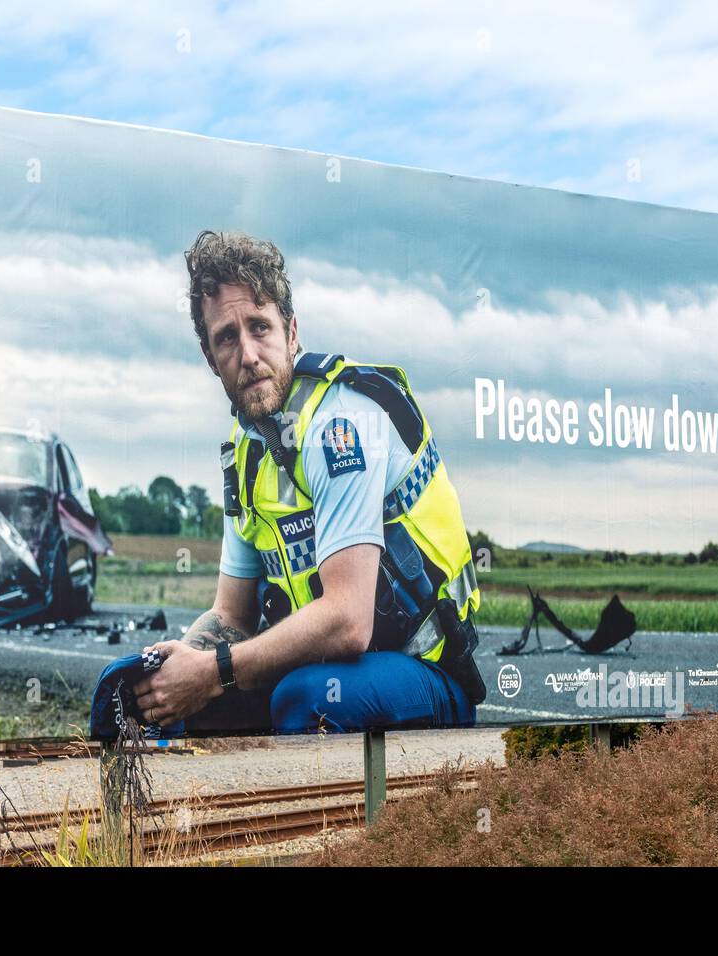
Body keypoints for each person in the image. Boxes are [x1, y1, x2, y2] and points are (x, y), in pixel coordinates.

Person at [132, 230, 485, 734]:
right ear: (211, 360)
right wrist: (173, 673)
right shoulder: (246, 450)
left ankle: (343, 817)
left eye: (260, 327)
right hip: (330, 671)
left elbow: (348, 622)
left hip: (427, 674)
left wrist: (212, 674)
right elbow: (231, 615)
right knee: (162, 707)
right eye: (227, 338)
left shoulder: (341, 426)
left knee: (305, 700)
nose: (248, 354)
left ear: (292, 333)